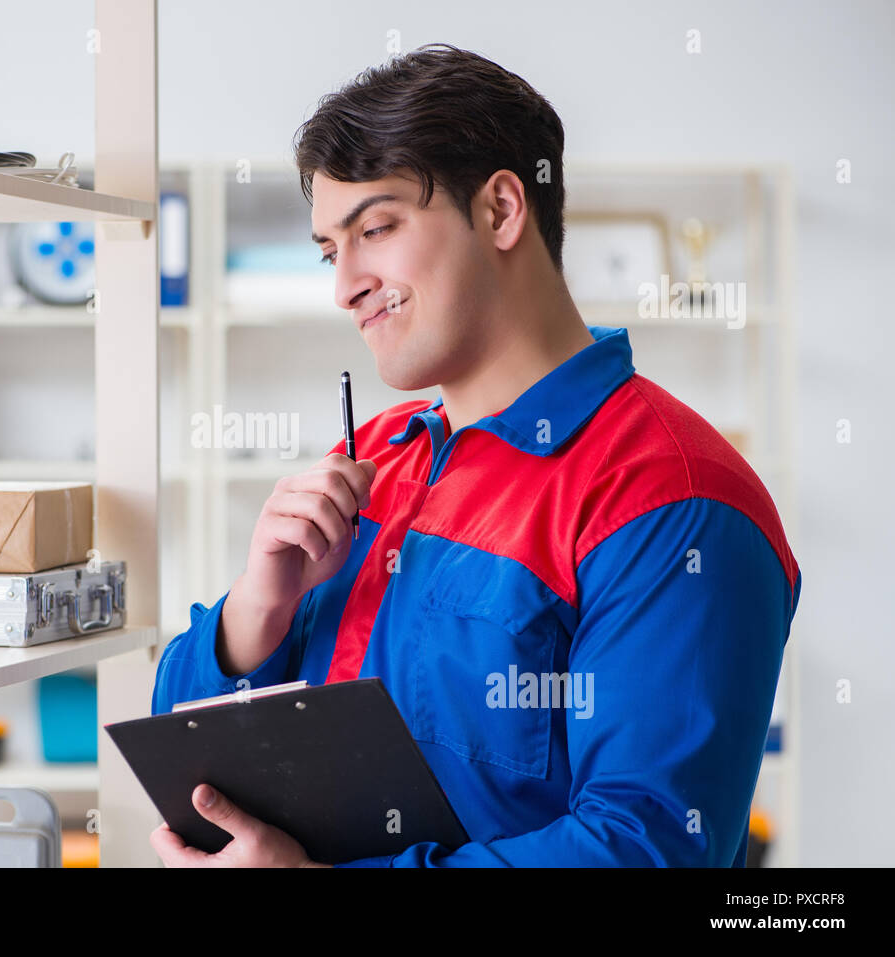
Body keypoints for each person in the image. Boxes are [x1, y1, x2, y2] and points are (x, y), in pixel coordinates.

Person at [149, 43, 801, 867]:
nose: (344, 284)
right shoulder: (376, 456)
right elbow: (186, 752)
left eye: (375, 229)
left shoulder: (674, 500)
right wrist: (257, 612)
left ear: (499, 211)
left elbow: (647, 847)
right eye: (328, 250)